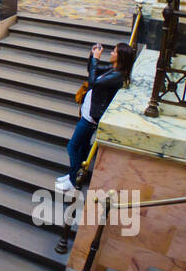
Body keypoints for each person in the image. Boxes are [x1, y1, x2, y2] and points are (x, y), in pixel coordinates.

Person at [56, 41, 137, 193]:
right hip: (87, 113)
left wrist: (96, 59)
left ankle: (74, 181)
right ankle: (73, 174)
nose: (111, 53)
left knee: (72, 147)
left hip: (91, 119)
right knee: (81, 148)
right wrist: (93, 56)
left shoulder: (117, 76)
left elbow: (93, 82)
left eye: (114, 52)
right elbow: (92, 70)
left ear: (121, 57)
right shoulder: (112, 68)